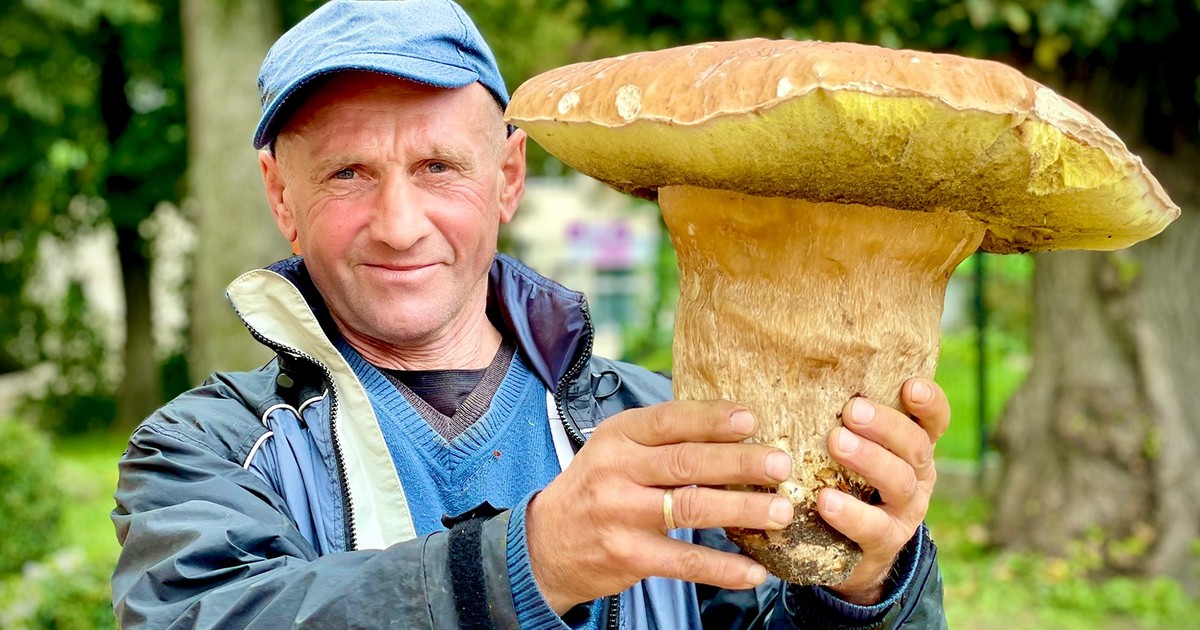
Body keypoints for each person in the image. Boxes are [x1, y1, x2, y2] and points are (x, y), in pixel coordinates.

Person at [111, 1, 949, 627]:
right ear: (279, 195)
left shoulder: (677, 432)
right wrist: (522, 565)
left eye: (439, 165)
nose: (399, 225)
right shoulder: (205, 452)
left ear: (509, 176)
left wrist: (868, 585)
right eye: (347, 174)